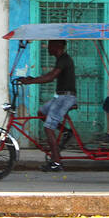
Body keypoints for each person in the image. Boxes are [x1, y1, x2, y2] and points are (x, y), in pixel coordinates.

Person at [16, 39, 76, 171]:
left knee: (48, 128)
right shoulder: (61, 59)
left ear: (58, 46)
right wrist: (32, 79)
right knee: (41, 113)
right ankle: (65, 132)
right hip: (59, 96)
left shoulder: (64, 59)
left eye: (50, 45)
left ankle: (57, 162)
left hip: (65, 97)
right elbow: (50, 75)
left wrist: (31, 82)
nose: (47, 48)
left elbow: (51, 77)